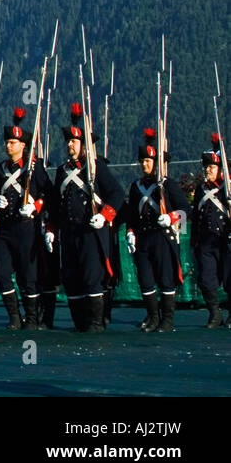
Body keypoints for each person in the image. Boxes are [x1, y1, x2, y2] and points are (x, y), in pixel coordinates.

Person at [44, 103, 123, 332]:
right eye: (68, 141)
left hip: (91, 232)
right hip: (69, 233)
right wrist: (51, 227)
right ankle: (79, 323)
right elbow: (56, 204)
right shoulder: (62, 171)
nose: (70, 144)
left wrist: (105, 215)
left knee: (91, 277)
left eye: (74, 141)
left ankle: (96, 324)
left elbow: (117, 193)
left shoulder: (96, 167)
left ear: (84, 146)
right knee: (71, 279)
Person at [122, 128, 191, 332]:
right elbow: (132, 215)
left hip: (163, 237)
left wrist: (171, 217)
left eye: (148, 161)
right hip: (143, 238)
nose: (144, 165)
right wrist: (130, 232)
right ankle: (153, 317)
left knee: (166, 279)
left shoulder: (167, 185)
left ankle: (167, 320)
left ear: (156, 164)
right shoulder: (136, 187)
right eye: (142, 161)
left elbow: (186, 210)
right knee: (145, 279)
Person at [0, 108, 51, 329]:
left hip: (27, 227)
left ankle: (32, 319)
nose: (9, 146)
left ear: (23, 145)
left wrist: (36, 205)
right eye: (7, 142)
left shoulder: (35, 167)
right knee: (3, 274)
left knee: (28, 276)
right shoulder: (0, 169)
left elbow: (48, 193)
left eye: (13, 142)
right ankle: (14, 317)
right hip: (5, 228)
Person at [191, 136, 230, 328]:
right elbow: (196, 216)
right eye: (206, 167)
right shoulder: (201, 190)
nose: (208, 170)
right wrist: (194, 242)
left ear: (220, 169)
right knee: (206, 279)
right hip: (206, 242)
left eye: (212, 167)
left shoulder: (227, 189)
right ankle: (215, 314)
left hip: (225, 240)